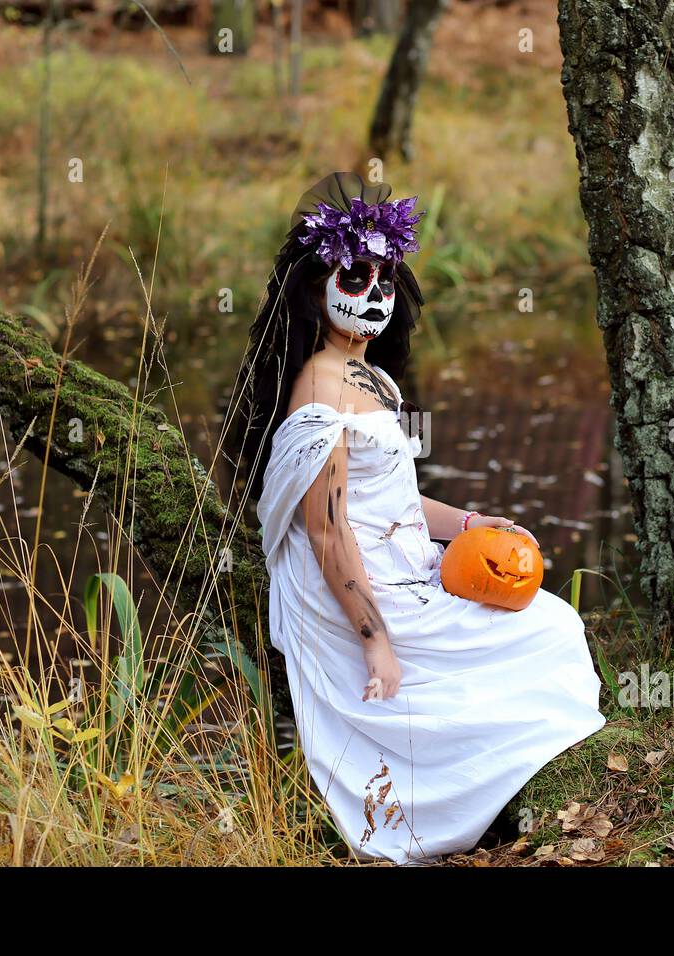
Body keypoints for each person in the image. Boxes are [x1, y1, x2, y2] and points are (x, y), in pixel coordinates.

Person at [229, 172, 605, 863]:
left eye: (386, 278)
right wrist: (374, 639)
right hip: (365, 589)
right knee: (549, 631)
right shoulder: (319, 392)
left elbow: (395, 496)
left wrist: (469, 523)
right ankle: (455, 806)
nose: (374, 294)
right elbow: (328, 529)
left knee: (551, 623)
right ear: (318, 289)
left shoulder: (373, 378)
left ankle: (505, 785)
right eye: (356, 276)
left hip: (410, 564)